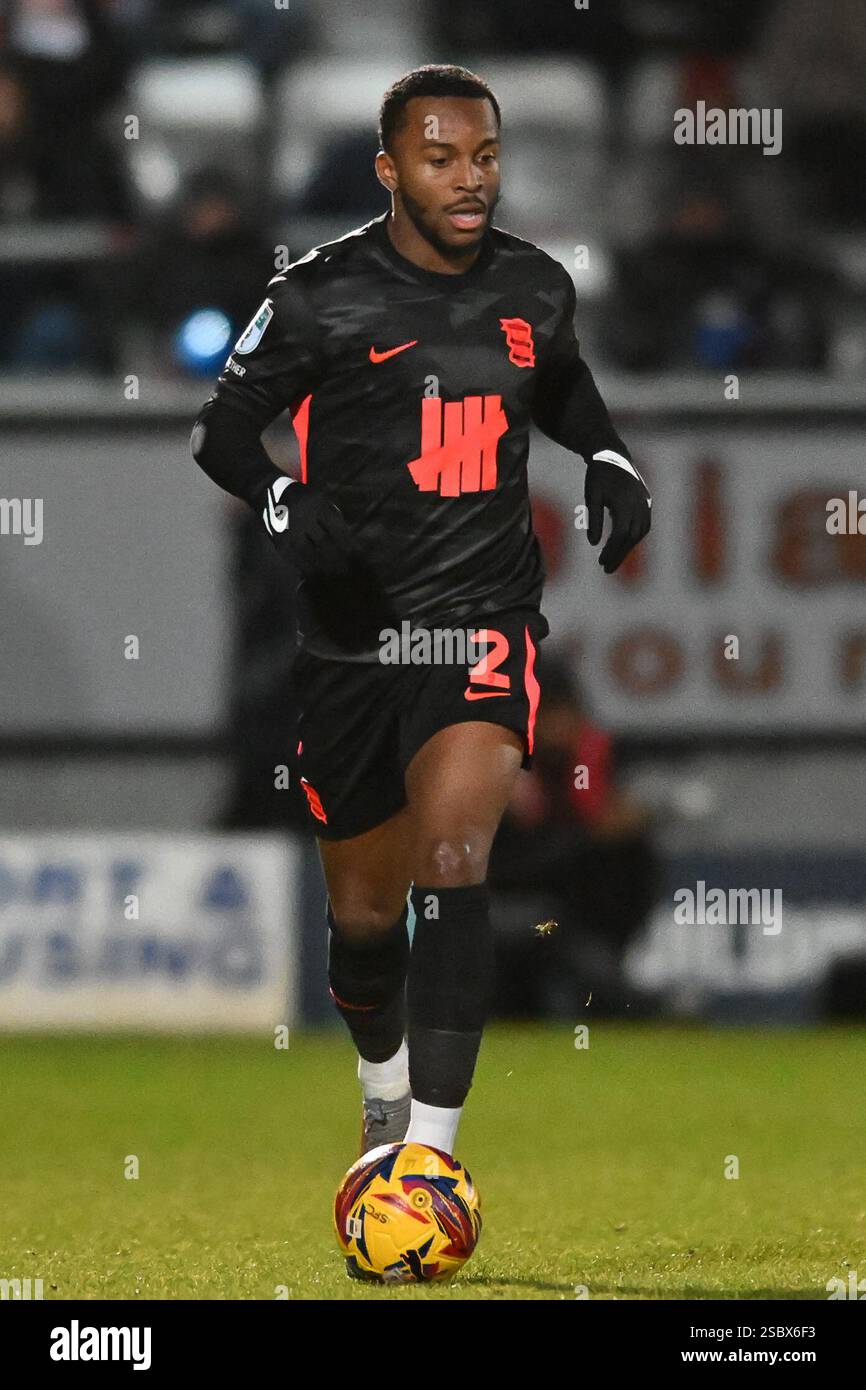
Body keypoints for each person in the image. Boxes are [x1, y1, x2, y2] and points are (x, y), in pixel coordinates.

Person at [190, 66, 650, 1203]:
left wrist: (607, 453)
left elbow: (562, 385)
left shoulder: (536, 286)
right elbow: (224, 430)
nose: (469, 178)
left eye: (484, 156)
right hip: (352, 642)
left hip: (481, 626)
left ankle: (429, 1162)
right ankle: (384, 1087)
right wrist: (287, 500)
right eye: (441, 158)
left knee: (455, 859)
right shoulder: (316, 295)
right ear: (389, 168)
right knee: (362, 919)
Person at [488, 652, 659, 1017]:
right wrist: (588, 838)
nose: (561, 726)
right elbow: (498, 869)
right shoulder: (497, 770)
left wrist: (612, 832)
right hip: (513, 915)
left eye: (566, 711)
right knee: (548, 937)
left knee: (585, 958)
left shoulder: (602, 761)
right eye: (548, 714)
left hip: (583, 917)